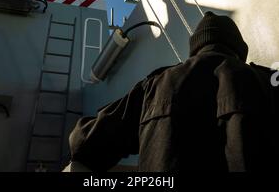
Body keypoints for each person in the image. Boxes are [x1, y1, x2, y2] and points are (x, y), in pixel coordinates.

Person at [68, 11, 279, 172]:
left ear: (196, 46)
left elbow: (84, 143)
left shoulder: (155, 85)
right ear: (240, 49)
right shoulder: (268, 82)